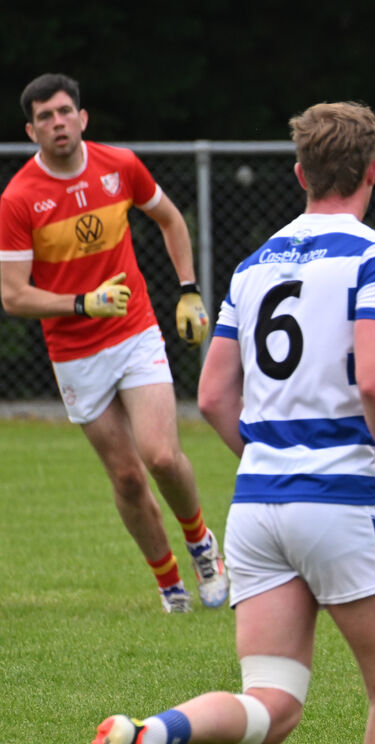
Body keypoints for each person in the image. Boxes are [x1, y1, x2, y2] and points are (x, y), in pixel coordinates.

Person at [69, 101, 375, 744]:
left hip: (258, 505)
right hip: (343, 504)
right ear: (373, 171)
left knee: (273, 705)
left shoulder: (253, 265)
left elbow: (211, 397)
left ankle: (147, 734)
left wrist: (272, 457)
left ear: (299, 172)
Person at [0, 73, 226, 614]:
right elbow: (13, 296)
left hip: (134, 330)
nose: (57, 123)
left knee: (162, 456)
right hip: (74, 352)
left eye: (64, 112)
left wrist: (189, 290)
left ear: (83, 118)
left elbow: (170, 220)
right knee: (126, 476)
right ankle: (169, 583)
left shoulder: (120, 166)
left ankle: (202, 548)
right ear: (31, 130)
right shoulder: (18, 199)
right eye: (45, 117)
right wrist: (82, 302)